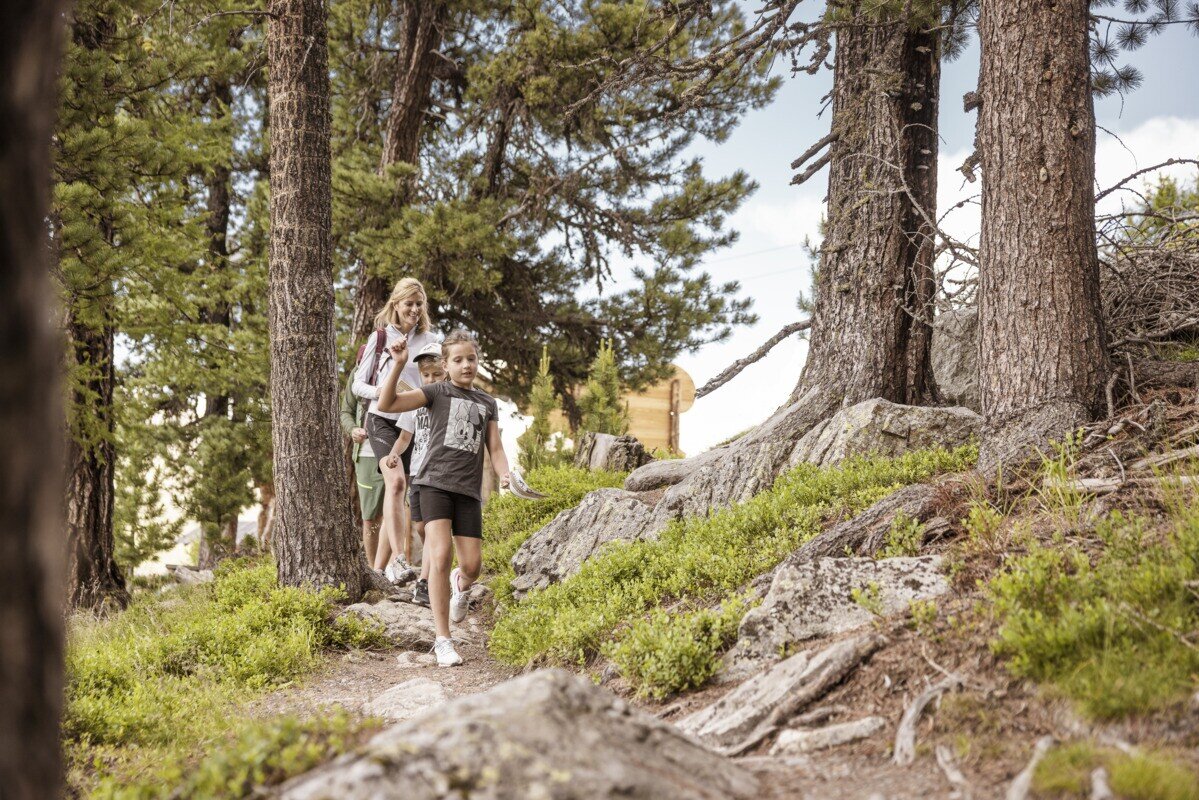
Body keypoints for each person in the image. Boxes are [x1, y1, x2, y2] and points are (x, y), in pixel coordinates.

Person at [376, 329, 511, 667]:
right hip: (433, 483)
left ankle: (460, 584)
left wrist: (506, 473)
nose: (466, 365)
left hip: (468, 491)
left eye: (471, 359)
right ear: (446, 364)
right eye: (458, 360)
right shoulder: (436, 391)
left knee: (472, 566)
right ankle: (443, 639)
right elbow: (387, 404)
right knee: (439, 555)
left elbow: (495, 448)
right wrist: (399, 364)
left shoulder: (487, 403)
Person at [353, 277, 441, 582]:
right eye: (409, 304)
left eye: (419, 304)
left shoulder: (430, 341)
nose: (414, 309)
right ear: (396, 304)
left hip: (413, 422)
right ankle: (400, 559)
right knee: (396, 483)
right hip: (381, 418)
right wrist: (385, 394)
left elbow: (437, 379)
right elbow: (357, 385)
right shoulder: (379, 339)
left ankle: (378, 570)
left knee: (400, 494)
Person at [386, 342, 446, 607]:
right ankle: (437, 570)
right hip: (417, 473)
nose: (431, 379)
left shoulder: (446, 399)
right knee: (421, 528)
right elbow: (405, 435)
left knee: (433, 530)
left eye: (436, 374)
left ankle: (425, 582)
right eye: (426, 375)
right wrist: (394, 453)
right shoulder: (416, 401)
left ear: (445, 371)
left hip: (438, 474)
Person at [339, 365, 384, 561]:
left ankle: (394, 566)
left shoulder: (408, 363)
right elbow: (345, 412)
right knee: (371, 515)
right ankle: (376, 569)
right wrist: (353, 429)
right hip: (367, 454)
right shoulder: (360, 369)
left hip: (402, 451)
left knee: (401, 511)